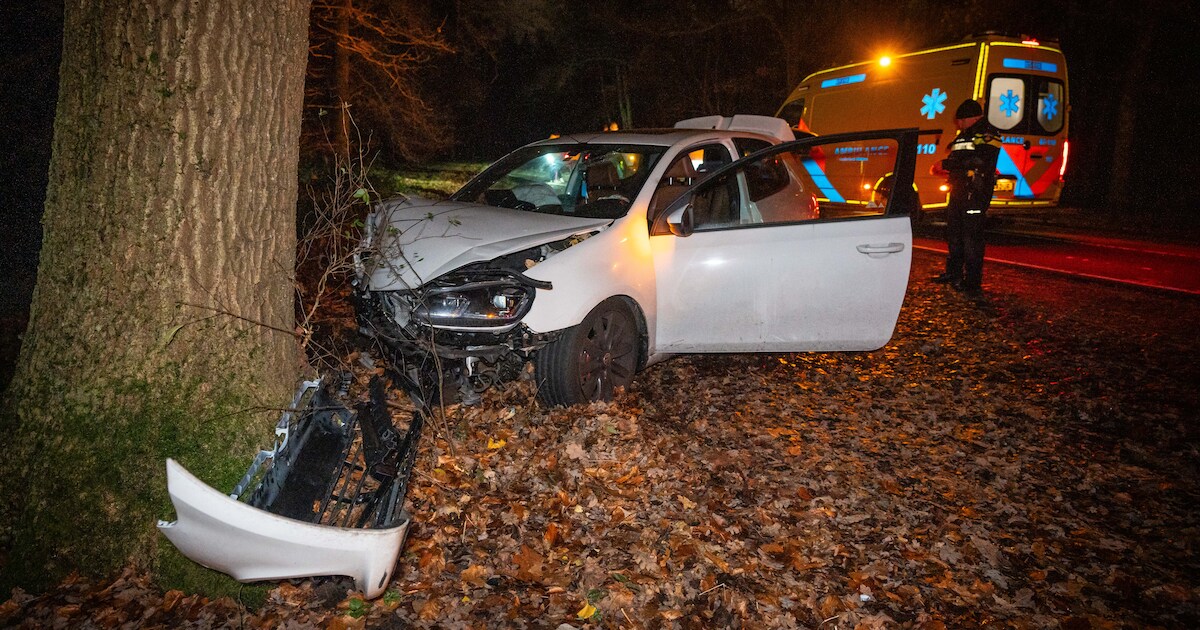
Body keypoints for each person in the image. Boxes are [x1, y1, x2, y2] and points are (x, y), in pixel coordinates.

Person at [930, 98, 1002, 295]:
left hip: (975, 192)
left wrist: (947, 165)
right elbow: (958, 157)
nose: (959, 124)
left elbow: (981, 160)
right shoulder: (964, 135)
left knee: (972, 237)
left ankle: (972, 282)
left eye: (961, 120)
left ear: (973, 118)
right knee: (954, 233)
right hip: (959, 189)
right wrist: (946, 169)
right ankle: (953, 274)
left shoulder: (987, 133)